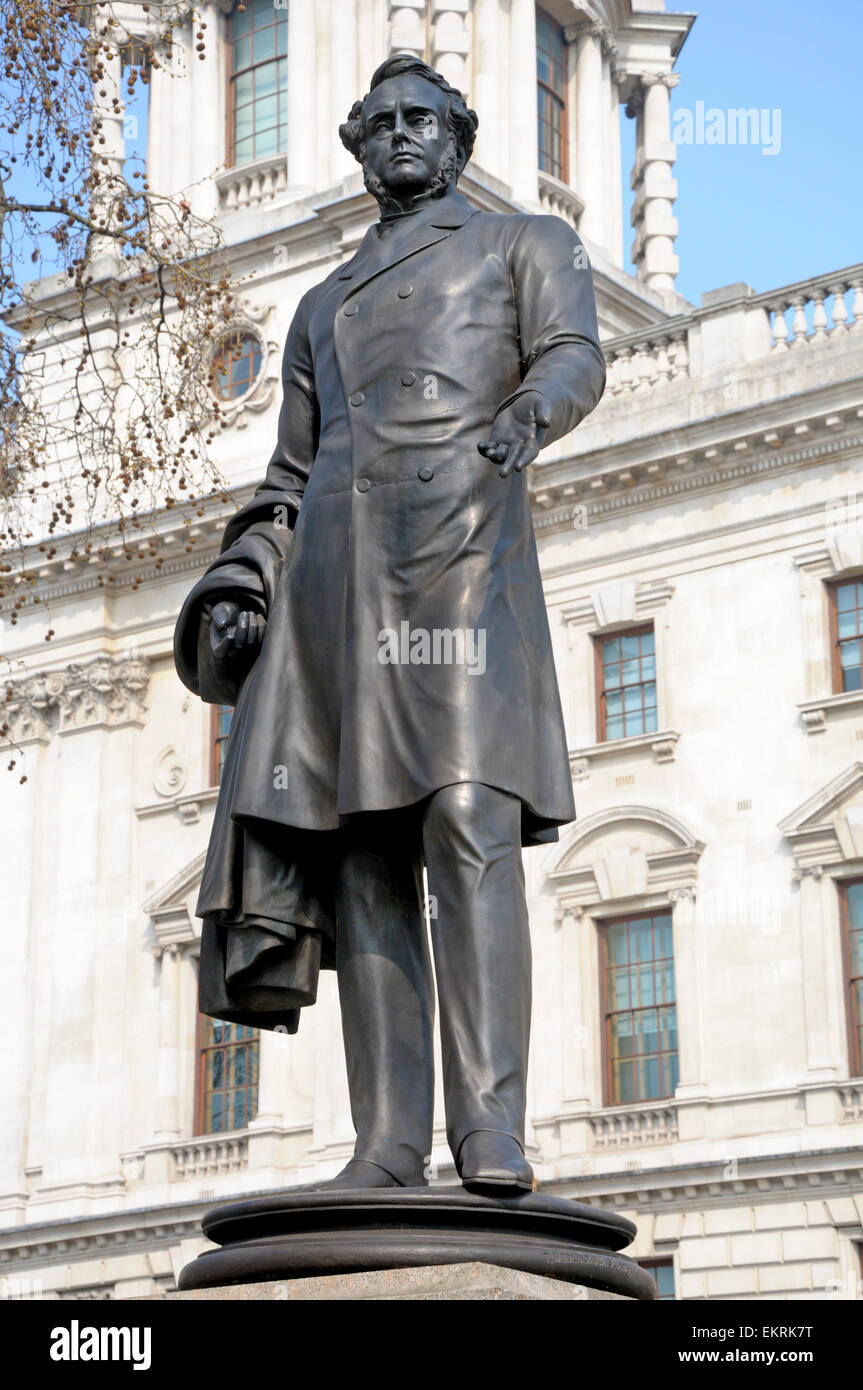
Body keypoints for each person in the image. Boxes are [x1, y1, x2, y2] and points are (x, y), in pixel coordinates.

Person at [174, 54, 606, 1193]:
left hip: (463, 563)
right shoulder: (320, 305)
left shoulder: (524, 244)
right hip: (338, 586)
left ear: (457, 139)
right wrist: (242, 583)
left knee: (466, 816)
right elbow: (289, 471)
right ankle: (385, 1144)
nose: (403, 134)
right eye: (381, 123)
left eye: (423, 118)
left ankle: (491, 1128)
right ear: (358, 147)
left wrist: (532, 410)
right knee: (365, 853)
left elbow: (573, 352)